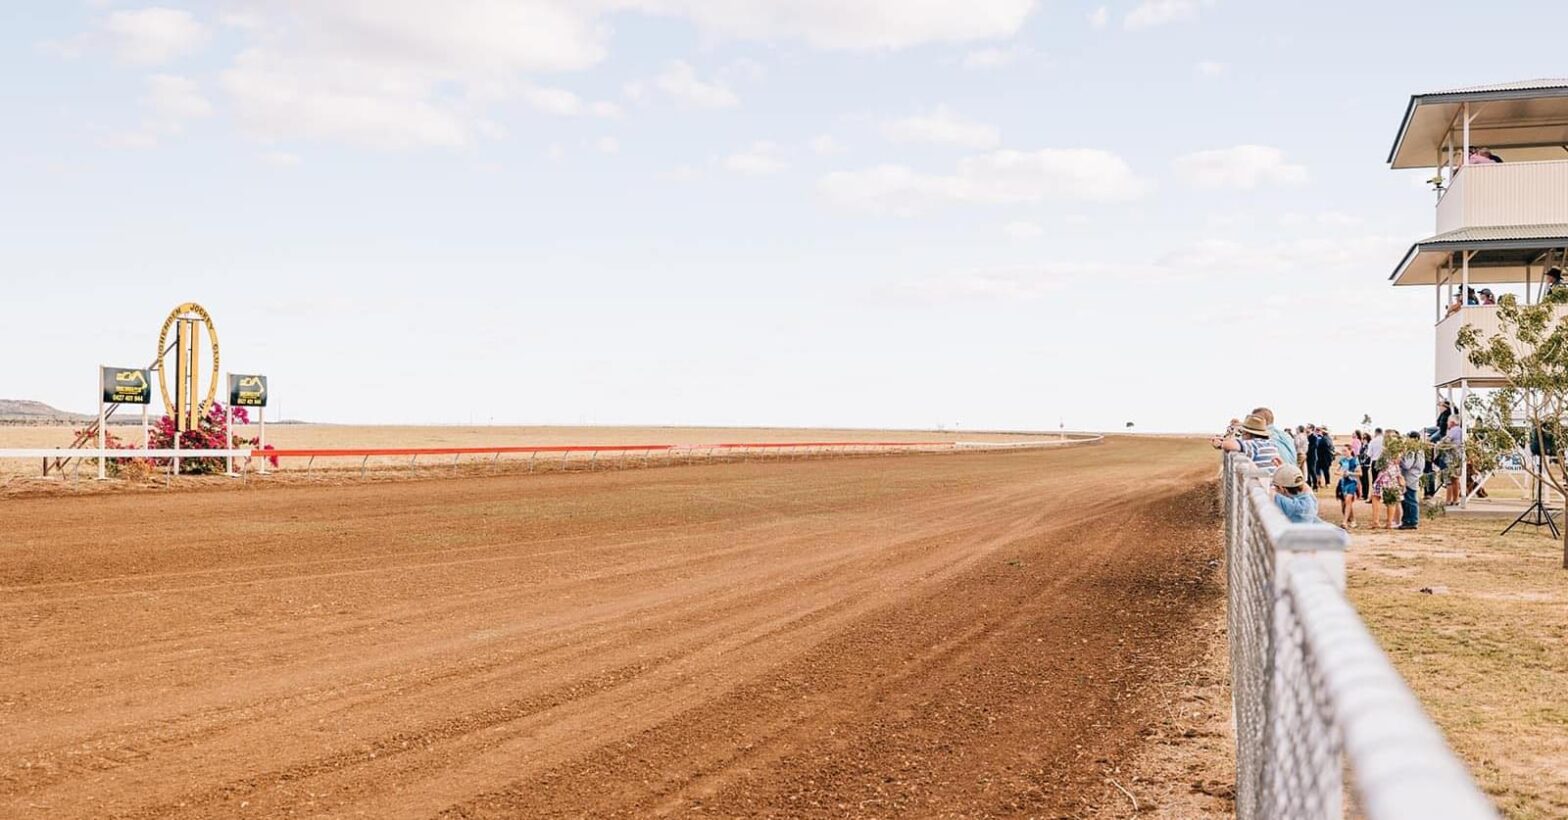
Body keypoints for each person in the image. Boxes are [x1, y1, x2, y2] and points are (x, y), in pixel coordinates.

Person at [1213, 413, 1281, 474]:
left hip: (1261, 485)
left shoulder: (1253, 444)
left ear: (1246, 433)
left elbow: (1232, 445)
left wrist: (1220, 444)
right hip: (1273, 482)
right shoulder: (1271, 444)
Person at [1399, 431, 1426, 530]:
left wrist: (1400, 459)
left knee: (1409, 499)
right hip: (1415, 476)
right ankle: (1408, 519)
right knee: (1410, 498)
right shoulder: (1420, 450)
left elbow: (1407, 465)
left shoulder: (1412, 451)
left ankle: (1411, 520)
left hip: (1409, 477)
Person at [1371, 454, 1404, 530]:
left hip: (1383, 477)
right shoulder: (1395, 456)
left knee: (1377, 498)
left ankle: (1376, 521)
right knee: (1390, 501)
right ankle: (1388, 522)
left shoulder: (1385, 455)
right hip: (1391, 478)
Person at [1335, 444, 1361, 527]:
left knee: (1348, 500)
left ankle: (1344, 522)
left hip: (1352, 482)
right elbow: (1336, 471)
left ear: (1350, 450)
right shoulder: (1342, 460)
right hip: (1343, 483)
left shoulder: (1355, 460)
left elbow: (1360, 473)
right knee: (1344, 504)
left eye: (1345, 450)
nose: (1344, 452)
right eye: (1343, 451)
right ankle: (1352, 519)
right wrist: (1342, 473)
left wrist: (1350, 473)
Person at [1443, 416, 1465, 505]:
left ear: (1452, 422)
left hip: (1452, 458)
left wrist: (1438, 445)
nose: (1447, 423)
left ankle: (1449, 500)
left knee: (1449, 480)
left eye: (1448, 421)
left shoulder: (1454, 430)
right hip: (1457, 458)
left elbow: (1446, 441)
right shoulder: (1459, 430)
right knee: (1455, 479)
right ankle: (1455, 500)